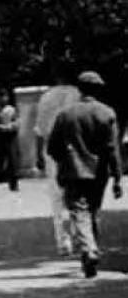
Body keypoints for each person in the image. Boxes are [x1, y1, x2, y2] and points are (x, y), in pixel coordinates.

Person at [47, 71, 123, 278]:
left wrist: (64, 160)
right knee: (93, 212)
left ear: (79, 89)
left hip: (73, 171)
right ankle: (90, 259)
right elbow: (112, 149)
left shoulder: (66, 114)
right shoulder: (106, 113)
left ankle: (89, 250)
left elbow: (52, 147)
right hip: (99, 173)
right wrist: (117, 178)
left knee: (79, 212)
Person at [34, 69, 81, 256]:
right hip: (74, 149)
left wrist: (39, 154)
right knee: (76, 194)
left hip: (51, 149)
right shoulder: (77, 94)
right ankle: (79, 237)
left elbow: (39, 130)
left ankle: (63, 241)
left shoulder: (46, 97)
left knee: (56, 197)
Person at [0, 89, 19, 191]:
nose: (3, 99)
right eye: (1, 97)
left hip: (10, 138)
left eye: (5, 97)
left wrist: (10, 126)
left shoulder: (12, 110)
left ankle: (13, 184)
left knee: (12, 161)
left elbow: (16, 123)